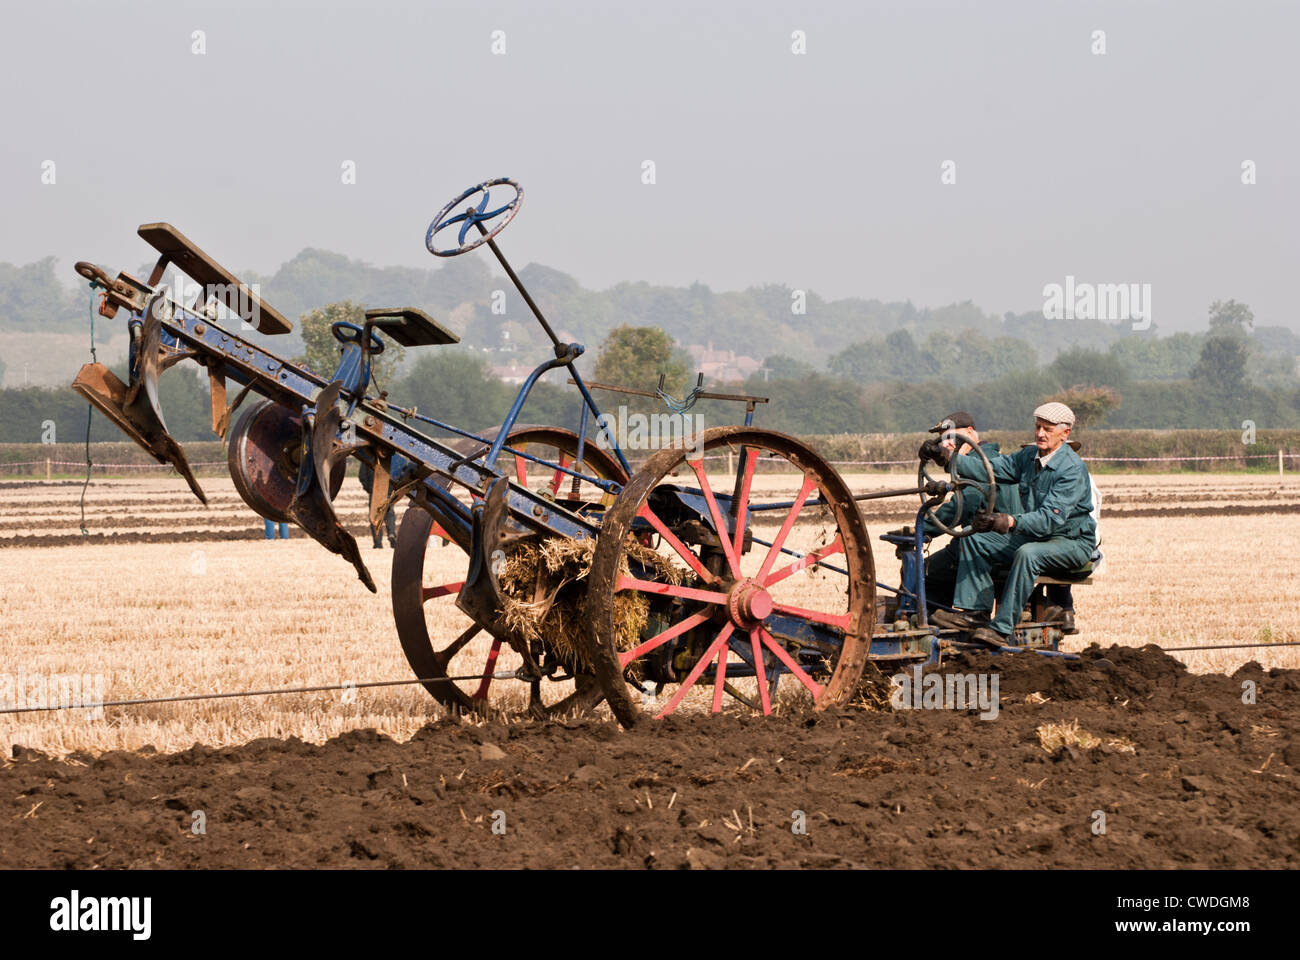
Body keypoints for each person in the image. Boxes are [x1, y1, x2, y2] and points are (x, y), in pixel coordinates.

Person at [919, 401, 1096, 647]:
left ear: (1065, 433)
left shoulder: (1071, 469)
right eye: (1037, 427)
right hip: (1041, 537)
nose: (1040, 434)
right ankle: (975, 615)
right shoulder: (1027, 456)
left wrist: (1008, 521)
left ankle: (1002, 630)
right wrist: (947, 458)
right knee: (973, 539)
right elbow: (991, 468)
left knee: (1028, 554)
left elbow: (1049, 520)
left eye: (1048, 429)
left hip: (1071, 541)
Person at [917, 411, 1021, 608]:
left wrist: (922, 529)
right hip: (995, 540)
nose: (946, 444)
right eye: (943, 439)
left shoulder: (982, 464)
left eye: (950, 437)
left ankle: (931, 621)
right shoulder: (989, 459)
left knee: (923, 572)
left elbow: (964, 505)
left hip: (993, 543)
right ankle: (944, 618)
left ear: (970, 433)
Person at [357, 459, 397, 549]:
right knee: (389, 513)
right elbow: (397, 475)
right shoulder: (392, 458)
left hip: (375, 491)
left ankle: (378, 543)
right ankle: (391, 533)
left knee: (375, 517)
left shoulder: (368, 458)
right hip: (388, 490)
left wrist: (369, 489)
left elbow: (362, 476)